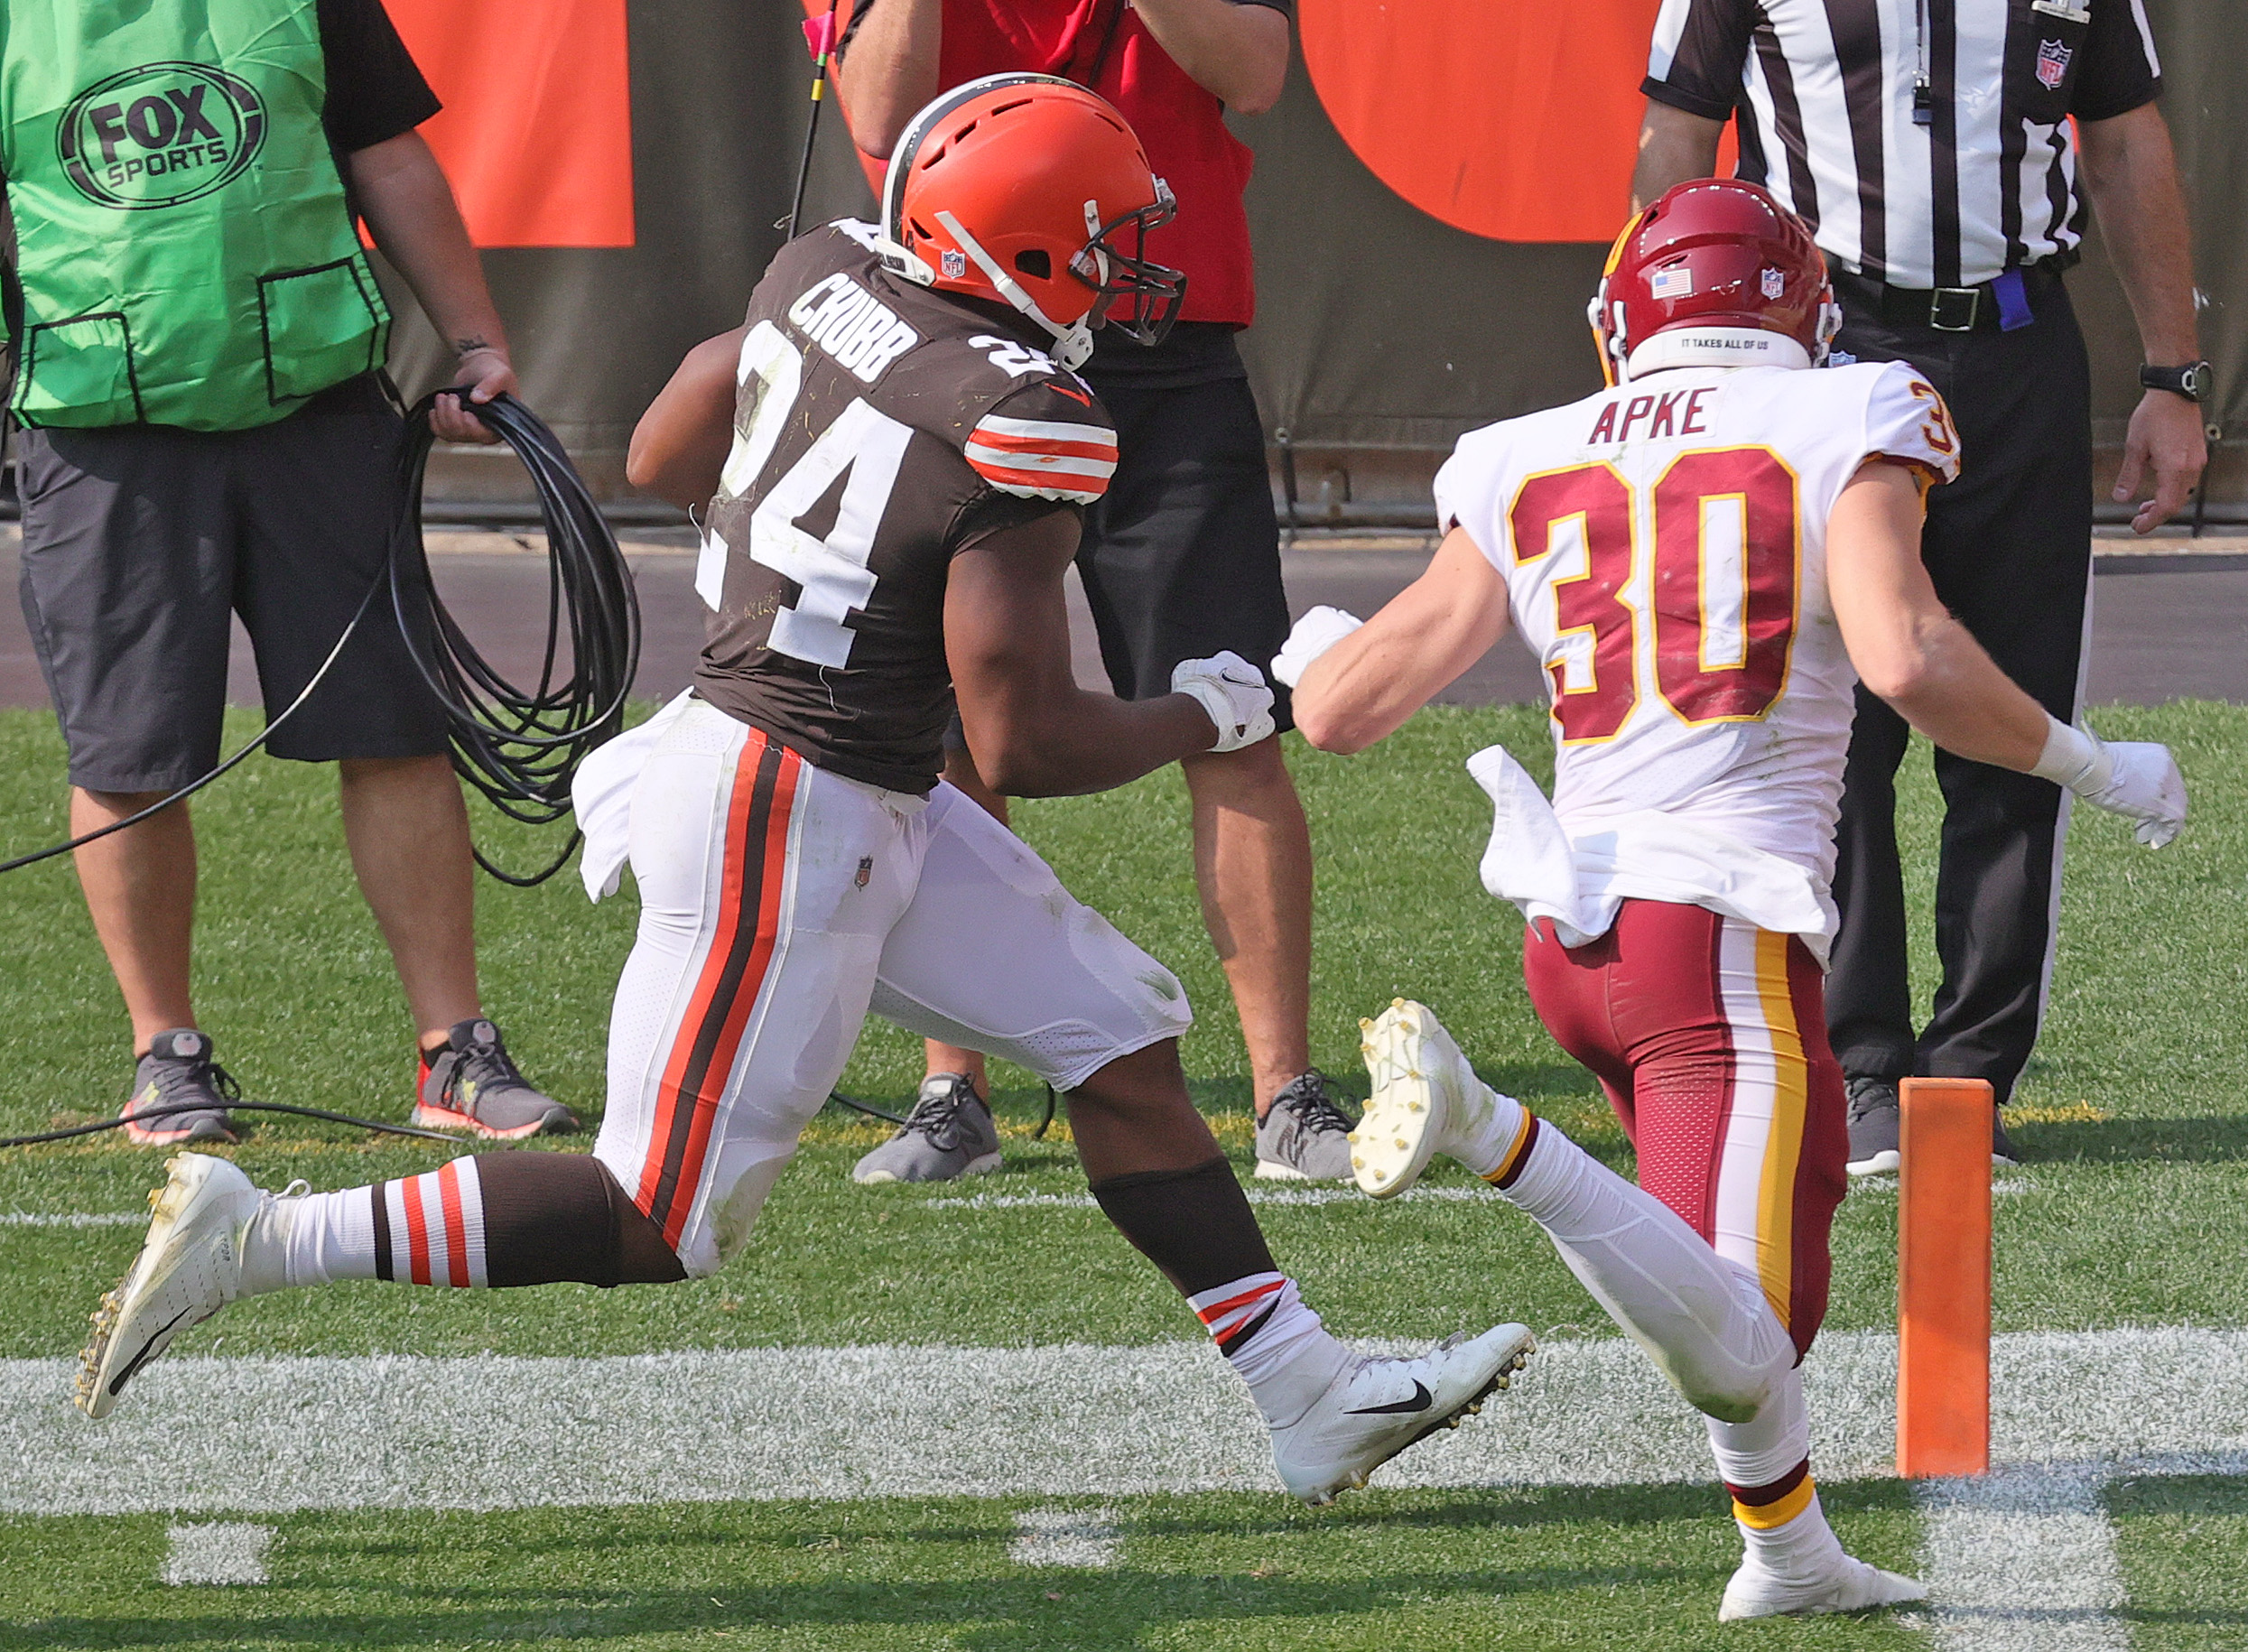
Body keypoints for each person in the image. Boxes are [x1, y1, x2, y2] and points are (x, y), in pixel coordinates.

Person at [77, 79, 1535, 1508]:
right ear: (1021, 246)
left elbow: (660, 450)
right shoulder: (1028, 416)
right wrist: (1207, 707)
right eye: (1097, 240)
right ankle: (261, 1238)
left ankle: (1310, 1395)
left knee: (1116, 1037)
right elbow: (1024, 742)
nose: (1119, 269)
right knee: (663, 1218)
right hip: (793, 801)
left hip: (839, 774)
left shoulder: (822, 267)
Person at [1280, 181, 2182, 1618]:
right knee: (1747, 1326)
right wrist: (2090, 761)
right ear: (1803, 313)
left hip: (1576, 940)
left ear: (1623, 318)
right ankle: (1489, 1130)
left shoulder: (1522, 451)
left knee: (1756, 1290)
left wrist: (1294, 652)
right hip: (1713, 939)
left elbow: (1335, 710)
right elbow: (1906, 656)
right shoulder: (1855, 411)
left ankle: (1789, 1551)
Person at [1630, 0, 2207, 1173]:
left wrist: (2171, 373)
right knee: (1830, 736)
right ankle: (1866, 1068)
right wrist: (1663, 363)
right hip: (1818, 350)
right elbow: (1674, 136)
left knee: (2010, 718)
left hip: (2015, 349)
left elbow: (2125, 136)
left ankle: (1967, 1082)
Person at [5, 0, 571, 1145]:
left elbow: (387, 153)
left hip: (316, 406)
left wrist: (473, 342)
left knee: (396, 728)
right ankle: (167, 1058)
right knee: (130, 755)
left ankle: (453, 1054)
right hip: (98, 426)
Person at [830, 0, 1353, 1184]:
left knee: (1231, 711)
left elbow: (1255, 69)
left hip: (1160, 336)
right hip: (954, 328)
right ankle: (950, 1088)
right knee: (948, 728)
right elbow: (874, 107)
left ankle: (1285, 1090)